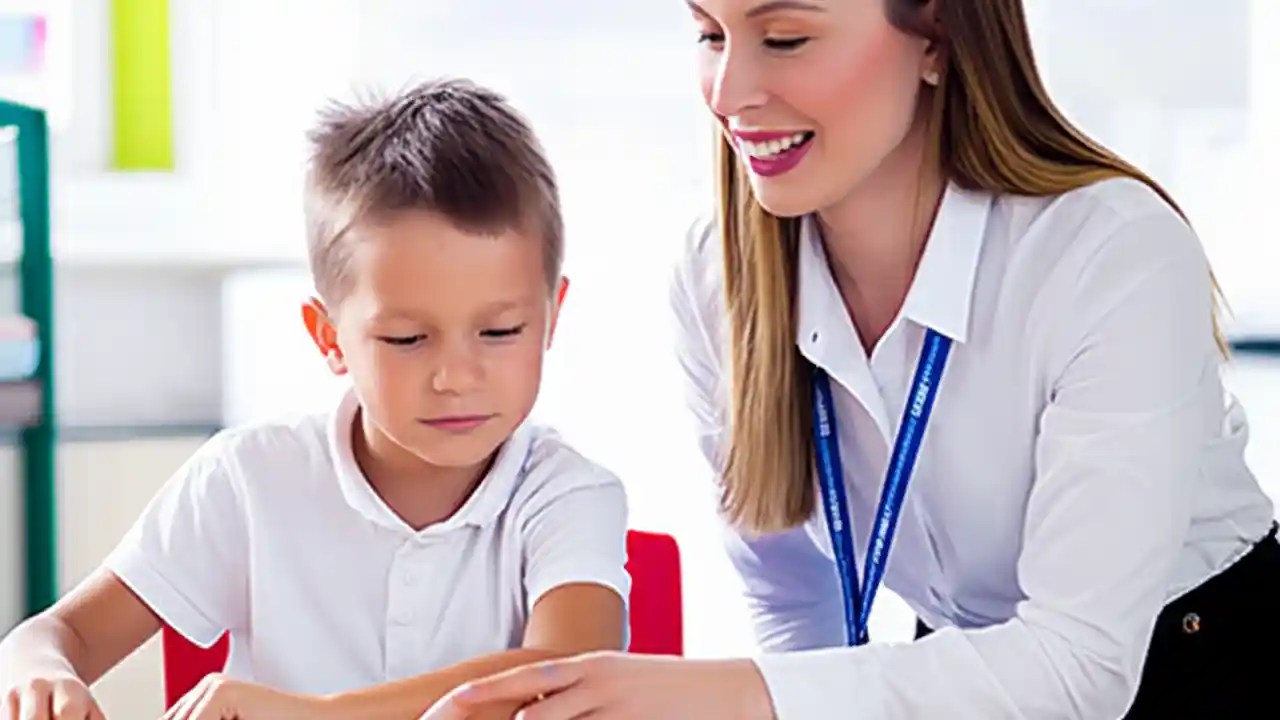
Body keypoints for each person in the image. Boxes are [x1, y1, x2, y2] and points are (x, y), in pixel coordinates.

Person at [421, 1, 1280, 719]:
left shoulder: (1108, 253)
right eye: (710, 34)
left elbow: (1079, 669)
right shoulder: (719, 274)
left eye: (785, 38)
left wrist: (704, 697)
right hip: (961, 677)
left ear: (937, 37)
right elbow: (797, 605)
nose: (730, 93)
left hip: (1189, 666)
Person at [0, 78, 631, 720]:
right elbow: (54, 637)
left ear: (552, 317)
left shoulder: (566, 494)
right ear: (329, 337)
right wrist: (44, 673)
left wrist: (317, 713)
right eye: (407, 338)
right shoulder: (249, 478)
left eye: (499, 332)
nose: (456, 376)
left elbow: (565, 675)